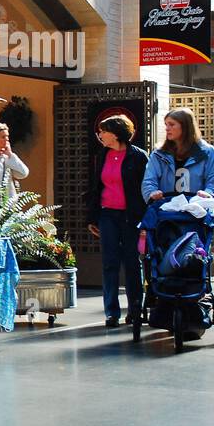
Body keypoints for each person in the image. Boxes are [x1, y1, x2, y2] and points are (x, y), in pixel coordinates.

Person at [84, 114, 148, 328]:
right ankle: (111, 312)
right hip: (107, 214)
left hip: (131, 216)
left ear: (116, 133)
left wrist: (145, 222)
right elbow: (96, 187)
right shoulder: (101, 155)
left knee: (131, 263)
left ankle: (135, 309)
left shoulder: (138, 156)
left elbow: (144, 190)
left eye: (104, 131)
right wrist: (92, 217)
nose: (100, 135)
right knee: (109, 263)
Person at [142, 107, 214, 204]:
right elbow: (149, 180)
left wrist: (208, 194)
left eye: (171, 124)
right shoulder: (159, 154)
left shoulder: (208, 153)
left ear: (186, 127)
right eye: (166, 124)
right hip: (165, 212)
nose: (167, 128)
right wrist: (152, 193)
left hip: (198, 212)